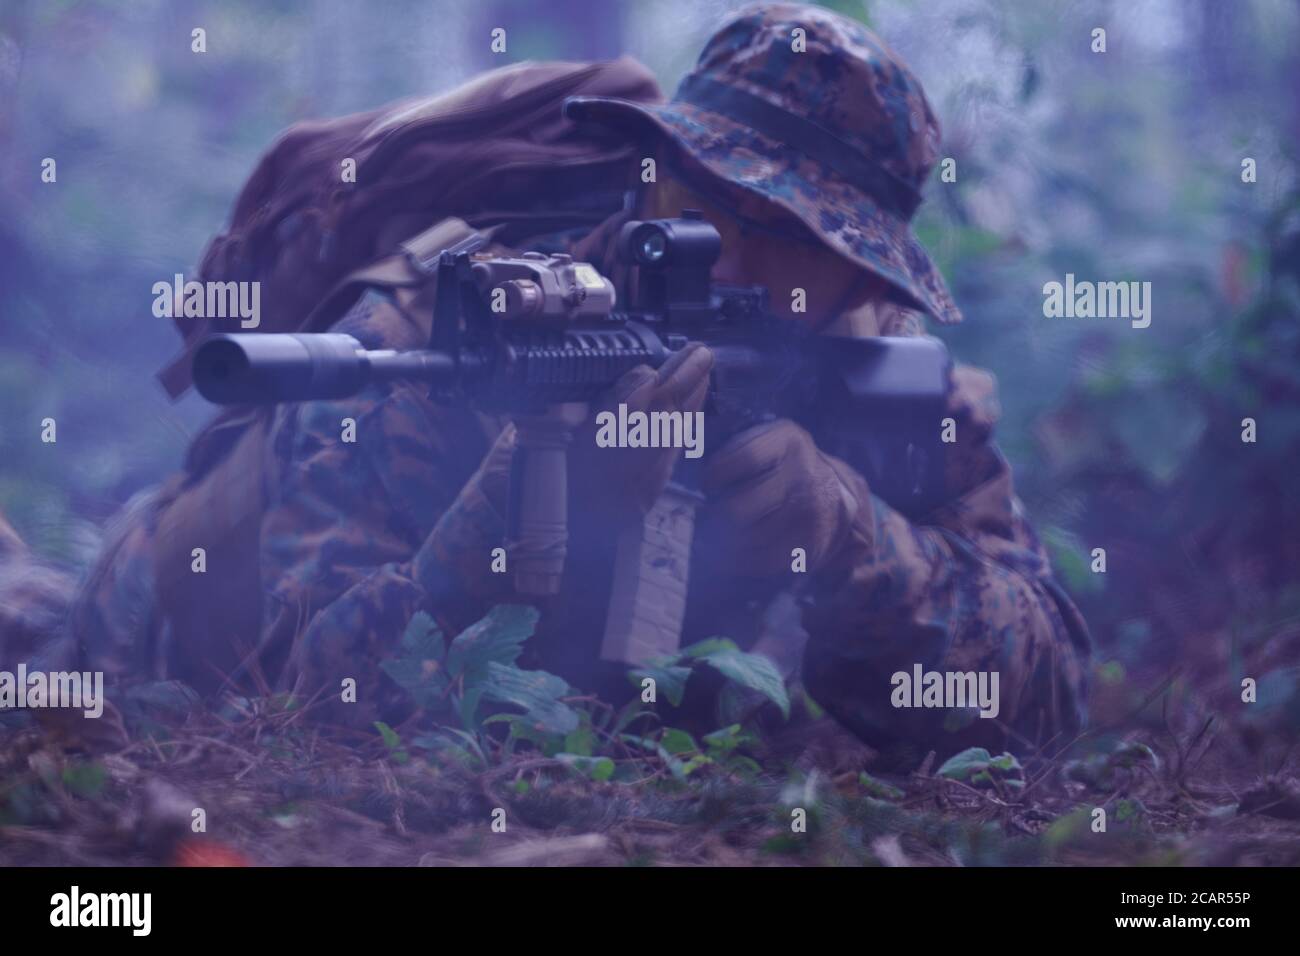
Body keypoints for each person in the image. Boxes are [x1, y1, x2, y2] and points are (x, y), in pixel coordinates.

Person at [69, 3, 1090, 760]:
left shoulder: (879, 378)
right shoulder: (432, 344)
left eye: (784, 232)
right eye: (701, 194)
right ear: (650, 170)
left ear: (859, 273)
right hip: (165, 614)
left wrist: (848, 533)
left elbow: (1049, 702)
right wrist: (501, 537)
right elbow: (307, 710)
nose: (725, 255)